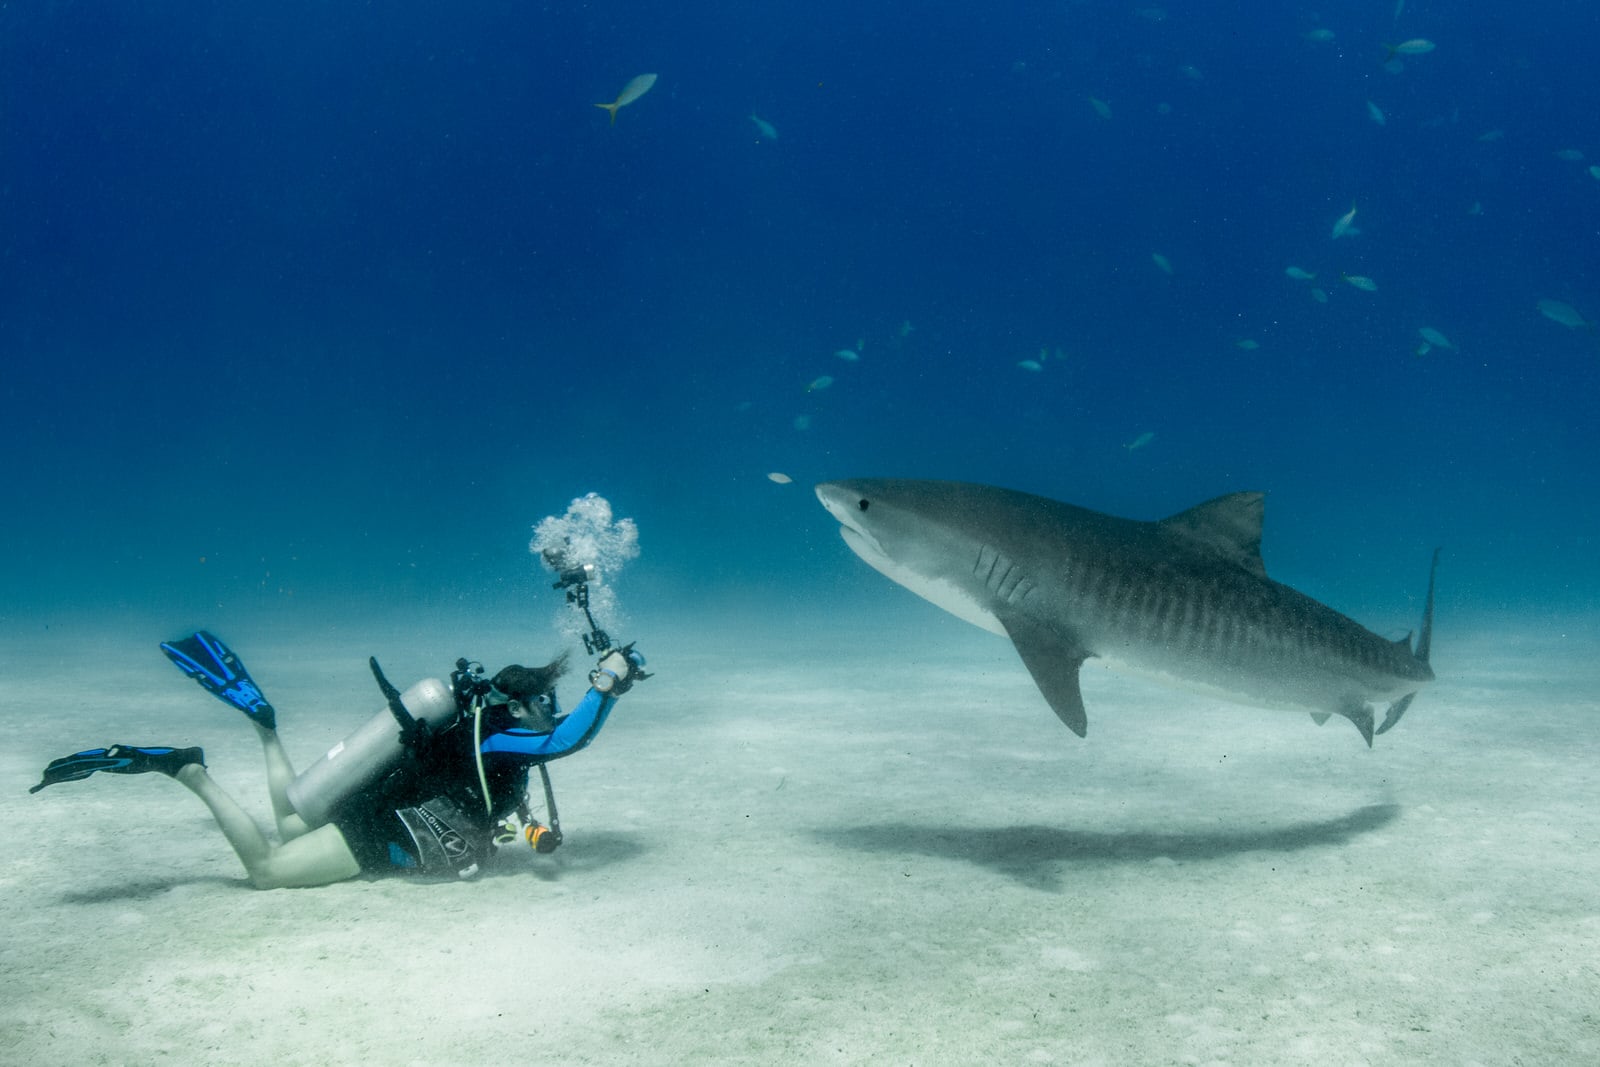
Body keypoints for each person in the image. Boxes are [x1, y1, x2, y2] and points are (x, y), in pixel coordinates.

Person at [30, 631, 648, 888]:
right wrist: (606, 688)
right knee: (268, 871)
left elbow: (498, 802)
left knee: (292, 822)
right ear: (526, 702)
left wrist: (527, 830)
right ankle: (188, 770)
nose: (554, 710)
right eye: (550, 701)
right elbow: (567, 740)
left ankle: (264, 728)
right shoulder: (499, 735)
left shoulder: (478, 730)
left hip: (387, 806)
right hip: (390, 833)